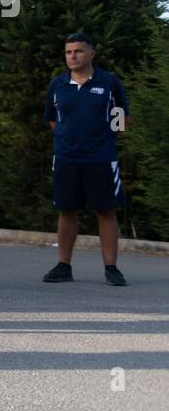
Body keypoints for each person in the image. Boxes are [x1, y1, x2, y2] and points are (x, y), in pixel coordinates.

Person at [43, 33, 130, 286]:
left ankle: (112, 268)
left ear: (91, 54)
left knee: (106, 210)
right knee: (67, 210)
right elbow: (52, 120)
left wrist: (102, 138)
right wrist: (68, 138)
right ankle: (63, 266)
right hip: (66, 158)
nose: (73, 56)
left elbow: (123, 117)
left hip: (101, 158)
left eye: (78, 51)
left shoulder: (109, 82)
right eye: (69, 52)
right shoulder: (57, 85)